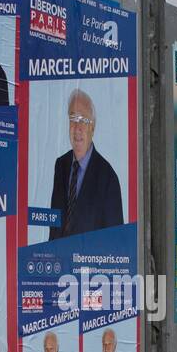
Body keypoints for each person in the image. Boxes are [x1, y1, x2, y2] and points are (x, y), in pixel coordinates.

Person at [48, 89, 124, 240]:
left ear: (93, 127)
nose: (77, 127)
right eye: (73, 118)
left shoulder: (108, 177)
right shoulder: (61, 165)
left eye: (84, 120)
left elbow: (116, 241)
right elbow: (55, 226)